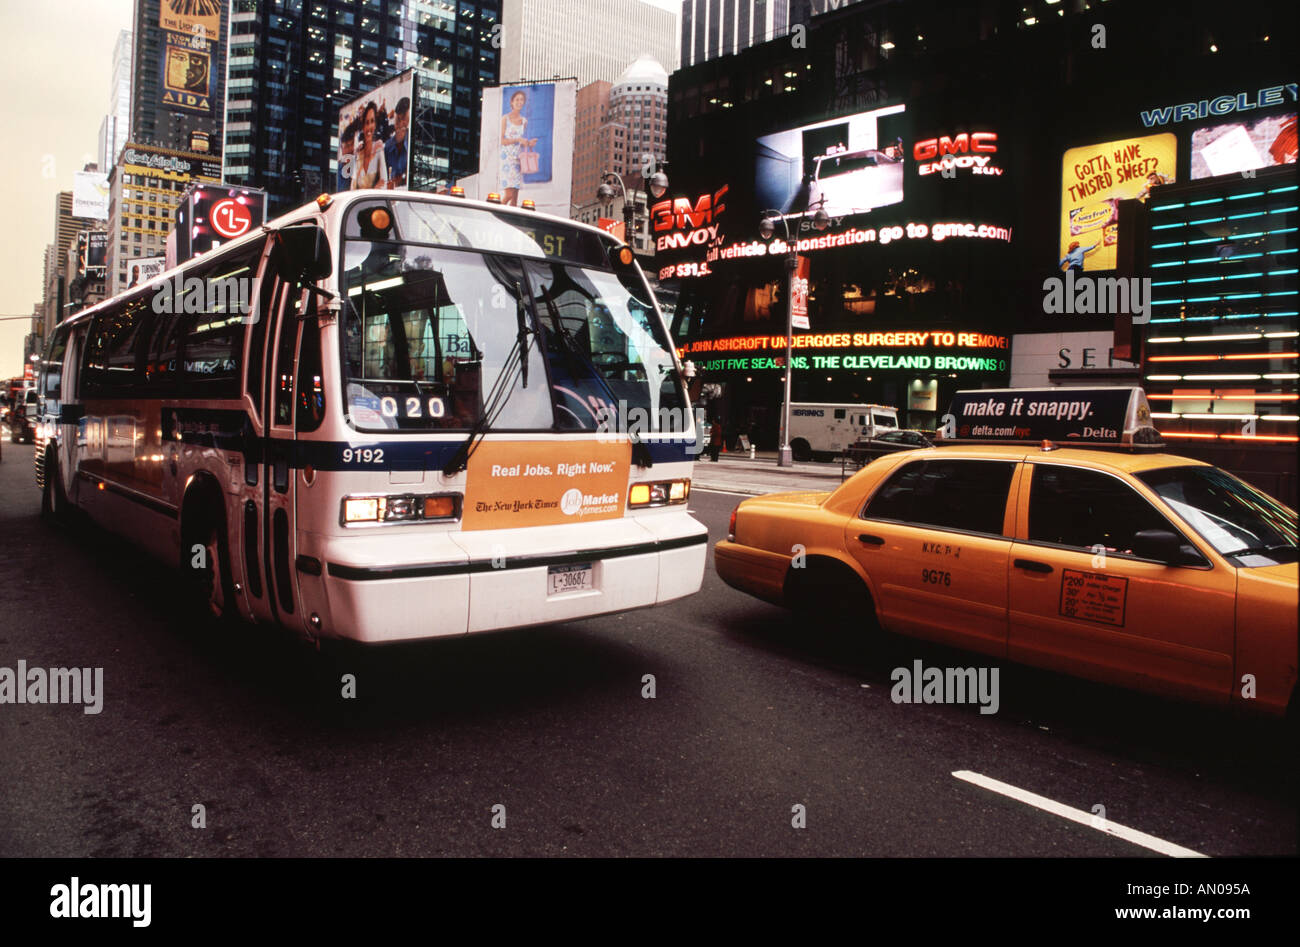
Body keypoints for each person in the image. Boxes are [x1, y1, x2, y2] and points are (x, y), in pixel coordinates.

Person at [499, 90, 537, 206]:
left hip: (518, 160)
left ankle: (509, 220)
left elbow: (522, 141)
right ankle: (495, 211)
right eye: (517, 100)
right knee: (509, 194)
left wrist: (529, 143)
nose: (519, 102)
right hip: (507, 160)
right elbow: (502, 141)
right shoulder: (505, 119)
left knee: (515, 199)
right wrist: (518, 140)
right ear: (512, 102)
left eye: (522, 100)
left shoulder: (524, 121)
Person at [351, 101, 388, 189]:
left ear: (375, 124)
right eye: (367, 122)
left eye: (372, 121)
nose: (369, 126)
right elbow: (353, 186)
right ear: (363, 127)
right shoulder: (359, 154)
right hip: (358, 201)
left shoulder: (378, 148)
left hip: (375, 201)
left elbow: (384, 181)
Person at [385, 97, 410, 189]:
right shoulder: (387, 146)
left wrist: (399, 179)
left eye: (404, 119)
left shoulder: (411, 146)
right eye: (398, 119)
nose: (400, 123)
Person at [336, 118, 358, 192]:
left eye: (351, 145)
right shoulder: (341, 167)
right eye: (346, 146)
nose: (349, 150)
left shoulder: (358, 161)